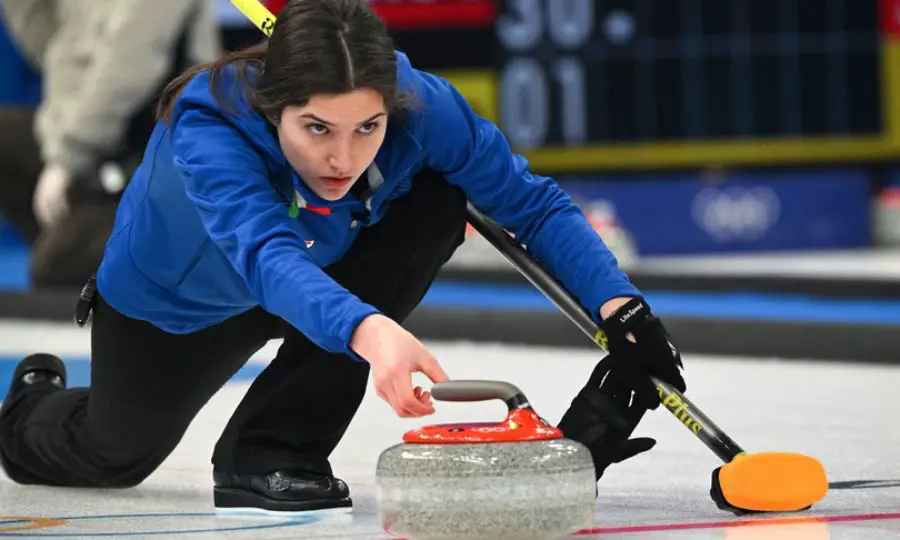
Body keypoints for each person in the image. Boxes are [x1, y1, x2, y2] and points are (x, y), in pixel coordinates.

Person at [0, 0, 687, 515]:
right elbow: (267, 258)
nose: (344, 157)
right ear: (274, 109)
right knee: (111, 454)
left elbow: (533, 205)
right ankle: (28, 407)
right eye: (317, 129)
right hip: (182, 306)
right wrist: (369, 327)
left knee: (439, 198)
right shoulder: (208, 127)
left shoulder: (424, 106)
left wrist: (619, 304)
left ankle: (271, 452)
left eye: (368, 127)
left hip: (325, 276)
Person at [0, 0, 220, 287]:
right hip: (100, 146)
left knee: (55, 266)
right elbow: (61, 53)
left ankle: (187, 253)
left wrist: (66, 158)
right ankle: (75, 230)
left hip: (155, 160)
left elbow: (128, 72)